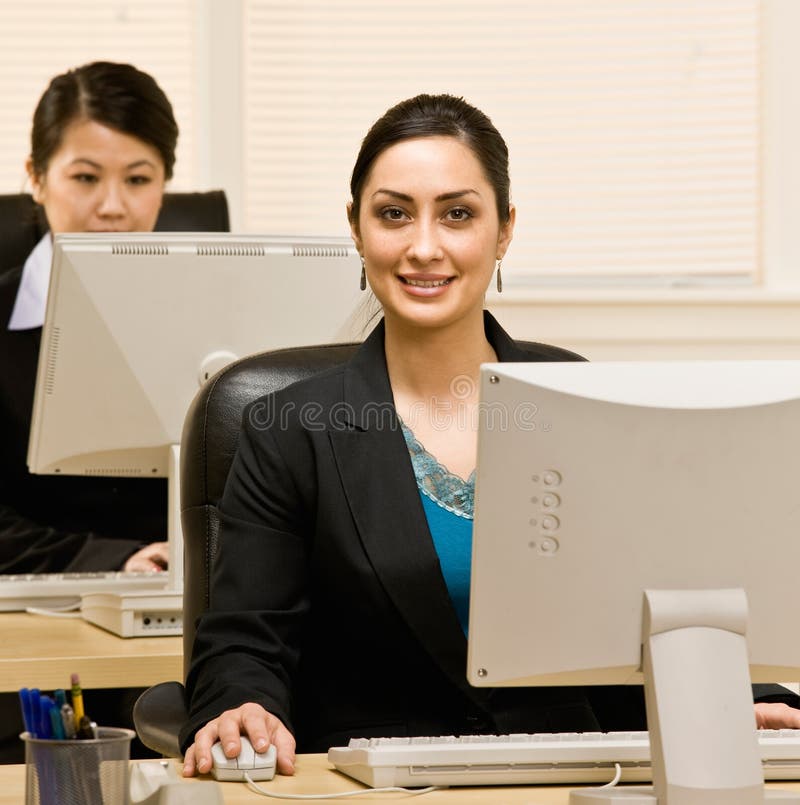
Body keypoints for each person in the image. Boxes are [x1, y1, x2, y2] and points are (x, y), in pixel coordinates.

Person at [181, 94, 800, 778]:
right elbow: (244, 641)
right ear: (356, 229)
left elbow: (656, 604)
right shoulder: (288, 430)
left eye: (457, 213)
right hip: (381, 788)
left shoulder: (579, 395)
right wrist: (241, 703)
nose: (424, 245)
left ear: (504, 230)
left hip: (578, 777)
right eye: (393, 213)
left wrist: (738, 696)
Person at [0, 60, 179, 763]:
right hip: (30, 642)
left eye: (139, 179)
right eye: (85, 177)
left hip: (173, 644)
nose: (113, 205)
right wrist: (115, 560)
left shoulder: (215, 320)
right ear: (37, 177)